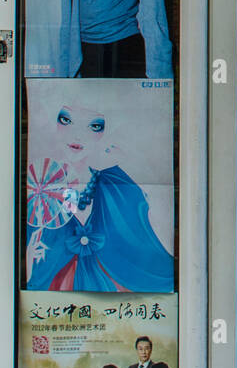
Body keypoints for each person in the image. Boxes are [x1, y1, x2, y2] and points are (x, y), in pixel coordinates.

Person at [25, 105, 174, 291]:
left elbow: (142, 237)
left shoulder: (116, 183)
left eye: (94, 126)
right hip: (55, 292)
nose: (77, 136)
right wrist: (30, 260)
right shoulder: (40, 183)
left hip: (114, 291)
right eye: (66, 121)